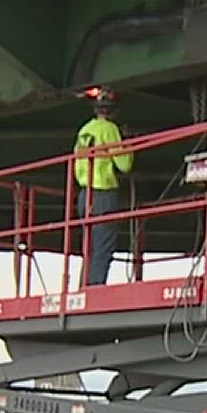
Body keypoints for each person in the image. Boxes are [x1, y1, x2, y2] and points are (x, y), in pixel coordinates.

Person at [72, 88, 133, 286]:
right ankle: (94, 290)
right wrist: (128, 143)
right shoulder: (109, 129)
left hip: (84, 194)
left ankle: (84, 287)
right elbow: (124, 164)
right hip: (103, 193)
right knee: (102, 247)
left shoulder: (85, 130)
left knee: (89, 247)